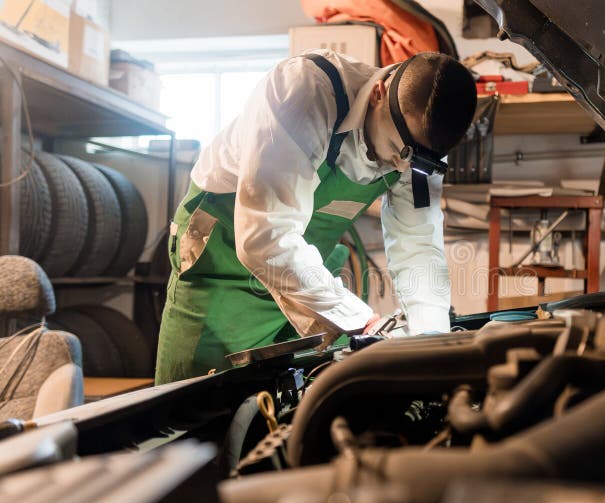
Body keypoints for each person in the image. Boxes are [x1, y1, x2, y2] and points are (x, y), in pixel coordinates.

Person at [154, 49, 477, 384]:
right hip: (223, 261)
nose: (402, 169)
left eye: (418, 163)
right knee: (196, 404)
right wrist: (364, 322)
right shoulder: (305, 93)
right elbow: (266, 239)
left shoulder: (418, 152)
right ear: (380, 93)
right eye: (400, 153)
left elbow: (419, 246)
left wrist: (432, 341)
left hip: (303, 272)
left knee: (293, 402)